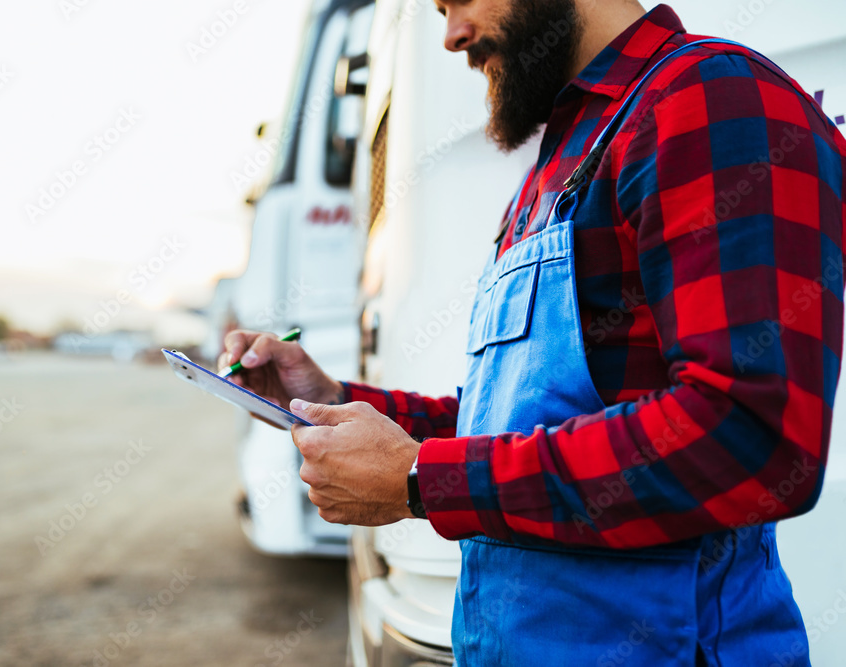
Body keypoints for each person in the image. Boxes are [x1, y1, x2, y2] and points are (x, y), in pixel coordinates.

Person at [220, 1, 846, 664]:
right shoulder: (560, 162)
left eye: (458, 0)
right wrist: (330, 398)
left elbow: (750, 437)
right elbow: (517, 427)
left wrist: (416, 478)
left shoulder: (715, 99)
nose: (452, 35)